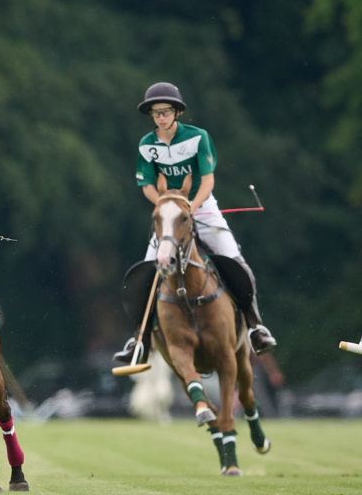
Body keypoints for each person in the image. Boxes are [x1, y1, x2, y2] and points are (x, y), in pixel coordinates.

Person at [113, 82, 277, 365]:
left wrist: (190, 206)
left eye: (165, 112)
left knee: (236, 261)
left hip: (202, 207)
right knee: (146, 271)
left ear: (176, 112)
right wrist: (167, 205)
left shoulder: (198, 138)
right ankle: (140, 340)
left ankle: (255, 327)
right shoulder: (146, 145)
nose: (160, 118)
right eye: (155, 113)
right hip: (168, 214)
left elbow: (208, 180)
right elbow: (147, 187)